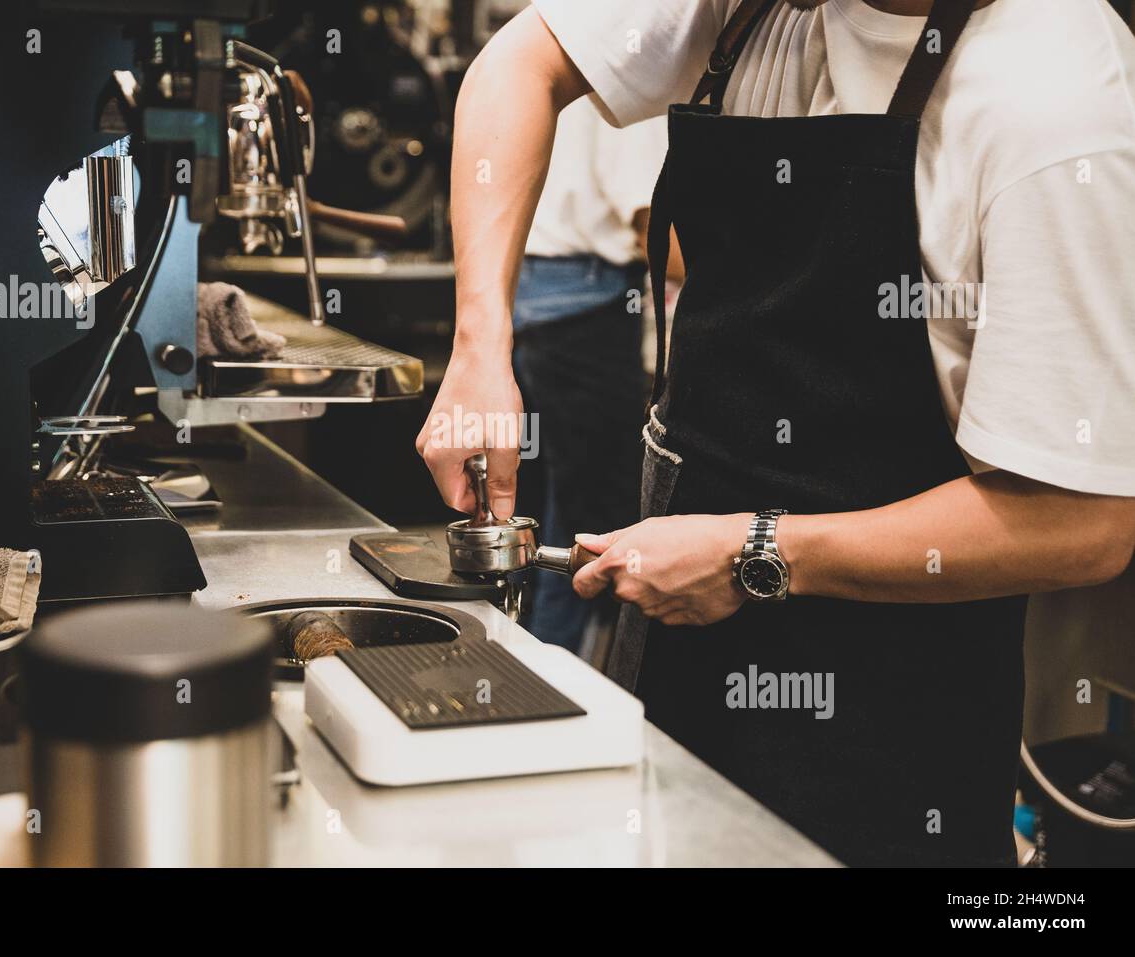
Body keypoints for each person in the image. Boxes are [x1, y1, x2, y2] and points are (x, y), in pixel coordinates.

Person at [416, 0, 1135, 866]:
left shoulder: (1058, 105)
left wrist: (753, 553)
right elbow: (520, 64)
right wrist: (479, 346)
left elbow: (1083, 521)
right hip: (677, 673)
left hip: (879, 742)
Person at [510, 97, 667, 654]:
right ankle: (551, 669)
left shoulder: (565, 68)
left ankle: (521, 655)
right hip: (587, 309)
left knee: (537, 509)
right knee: (585, 524)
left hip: (532, 299)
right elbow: (654, 227)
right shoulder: (642, 82)